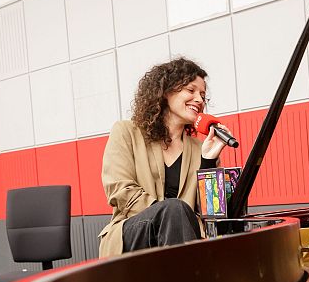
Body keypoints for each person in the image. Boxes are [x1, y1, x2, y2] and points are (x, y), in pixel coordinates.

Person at [98, 58, 232, 257]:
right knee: (174, 210)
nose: (200, 100)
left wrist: (209, 160)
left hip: (183, 238)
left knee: (177, 213)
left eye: (203, 95)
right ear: (166, 91)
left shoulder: (199, 148)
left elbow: (212, 213)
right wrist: (166, 214)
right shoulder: (126, 132)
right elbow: (120, 190)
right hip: (133, 233)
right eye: (191, 90)